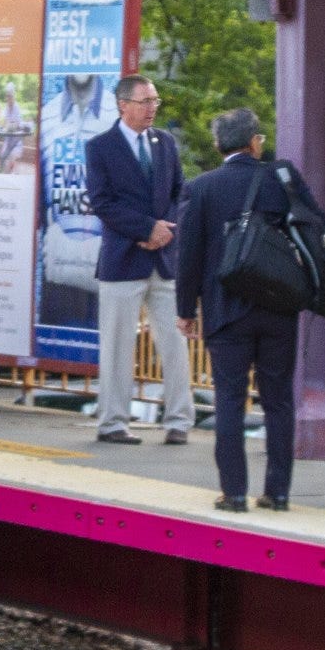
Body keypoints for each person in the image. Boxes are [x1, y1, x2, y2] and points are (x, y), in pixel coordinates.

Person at [173, 109, 312, 510]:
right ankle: (278, 492)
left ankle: (234, 492)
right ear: (255, 142)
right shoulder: (283, 180)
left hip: (225, 310)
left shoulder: (201, 188)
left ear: (218, 146)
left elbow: (189, 255)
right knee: (279, 400)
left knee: (230, 400)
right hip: (279, 308)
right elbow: (312, 231)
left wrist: (186, 309)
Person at [83, 75, 192, 445]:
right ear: (123, 104)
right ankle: (113, 422)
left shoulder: (165, 143)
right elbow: (102, 202)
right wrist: (146, 229)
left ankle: (178, 420)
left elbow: (181, 192)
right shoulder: (101, 147)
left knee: (175, 343)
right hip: (122, 260)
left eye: (155, 101)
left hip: (164, 259)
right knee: (116, 345)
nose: (152, 108)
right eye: (145, 101)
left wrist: (165, 230)